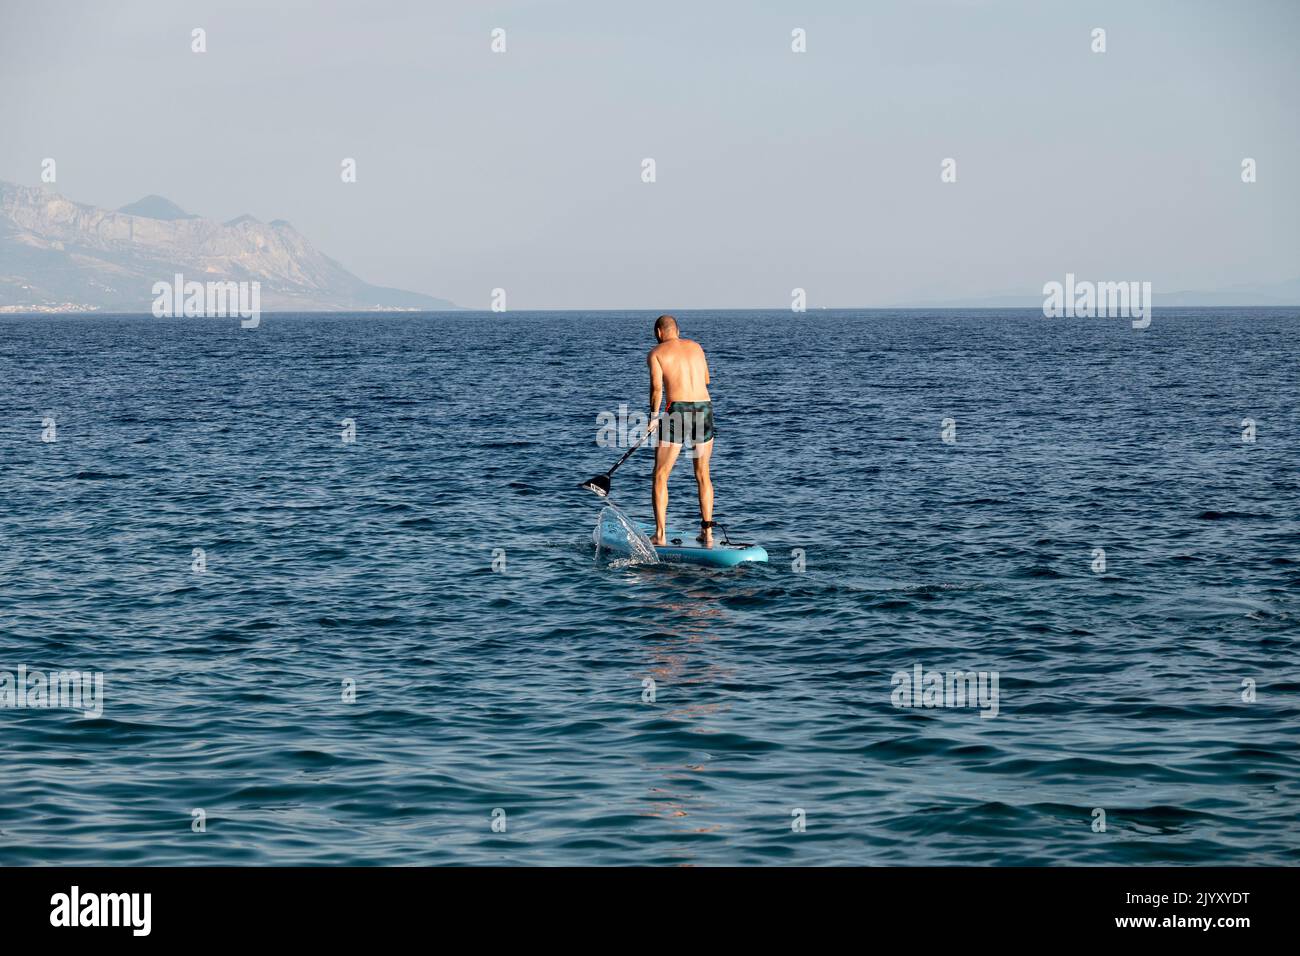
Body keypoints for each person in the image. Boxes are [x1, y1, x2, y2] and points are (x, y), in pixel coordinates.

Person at [646, 314, 716, 546]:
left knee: (660, 475)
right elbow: (706, 379)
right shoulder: (696, 347)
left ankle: (660, 535)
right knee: (703, 474)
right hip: (704, 407)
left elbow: (657, 389)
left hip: (678, 409)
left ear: (659, 332)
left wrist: (654, 417)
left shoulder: (656, 353)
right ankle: (707, 534)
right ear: (677, 329)